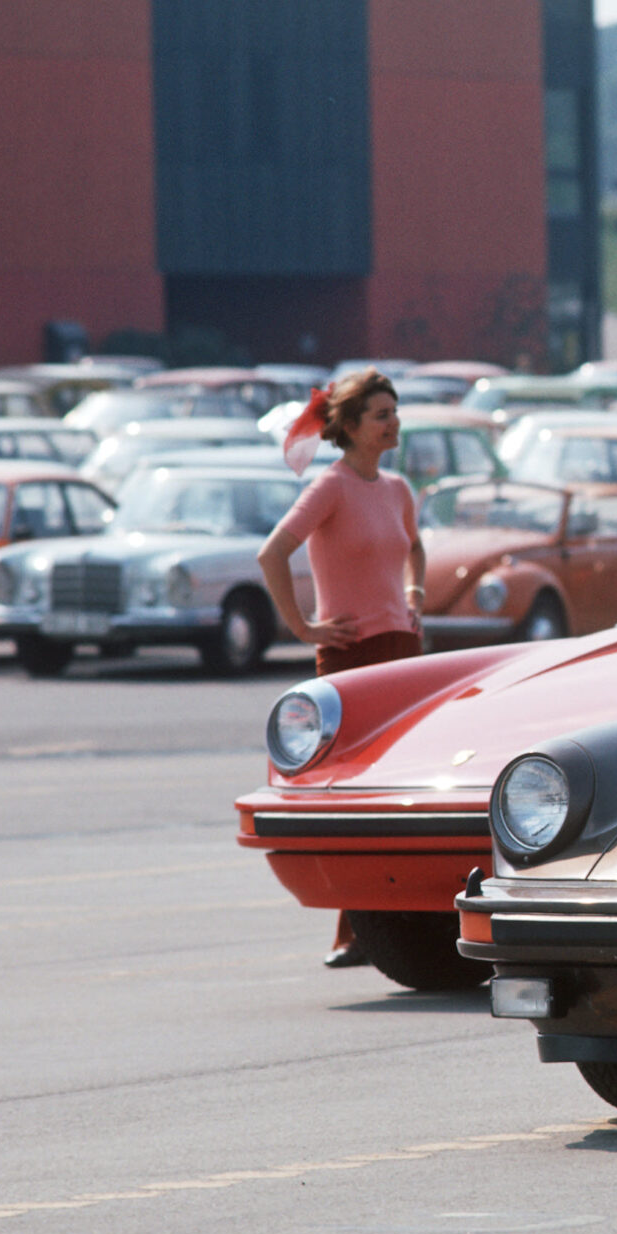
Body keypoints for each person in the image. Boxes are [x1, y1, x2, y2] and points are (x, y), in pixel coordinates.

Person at [258, 368, 426, 967]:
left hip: (402, 654)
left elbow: (415, 548)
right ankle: (356, 928)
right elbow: (272, 552)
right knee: (352, 793)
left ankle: (393, 924)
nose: (393, 423)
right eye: (381, 415)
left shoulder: (397, 488)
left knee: (406, 789)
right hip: (350, 659)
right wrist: (302, 627)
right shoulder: (331, 487)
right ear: (350, 429)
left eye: (395, 411)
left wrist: (414, 597)